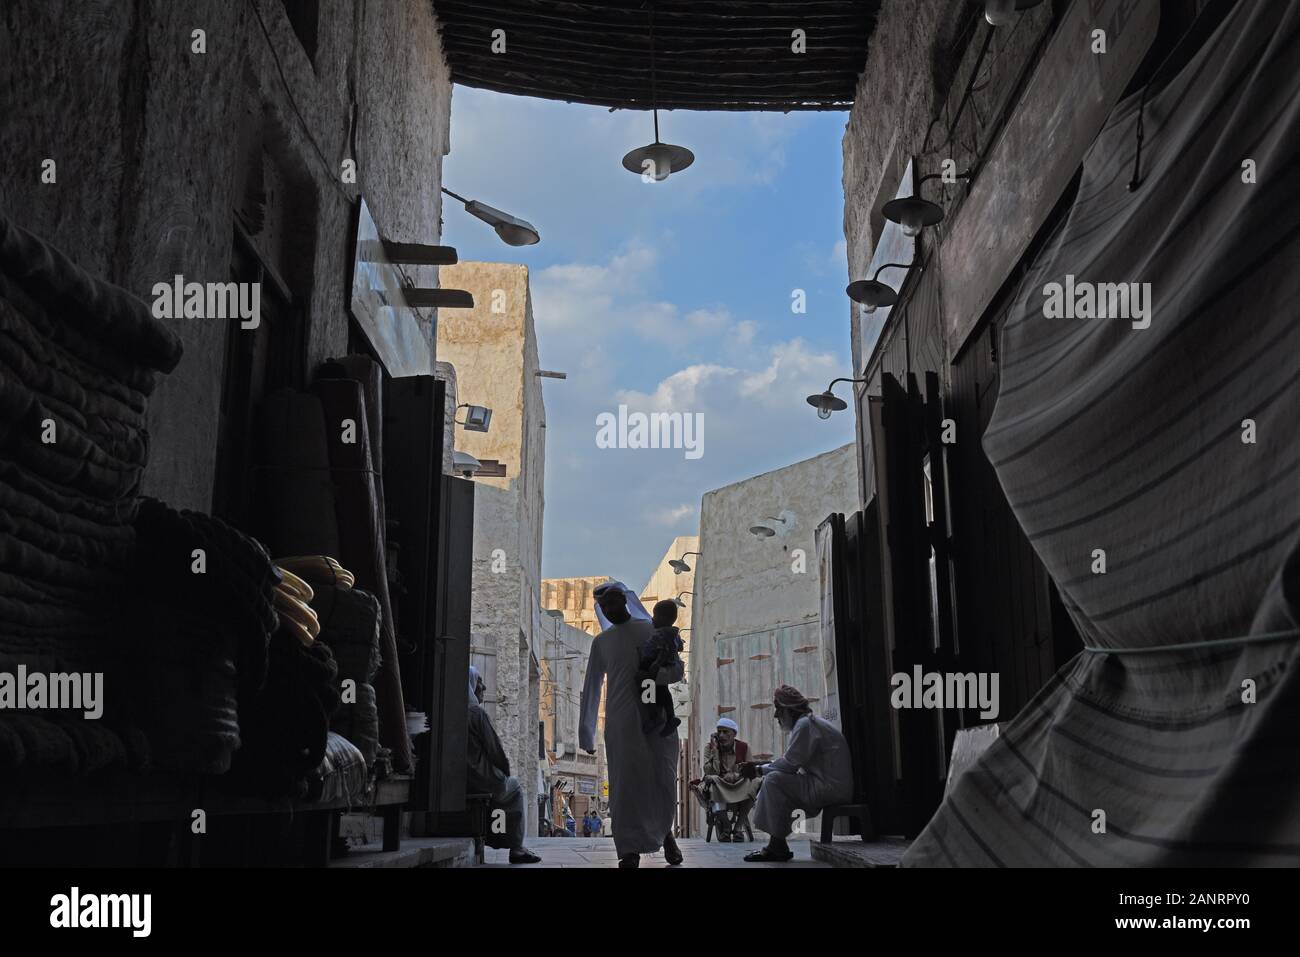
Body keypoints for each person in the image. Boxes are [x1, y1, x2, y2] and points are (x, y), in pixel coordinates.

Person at [580, 581, 684, 868]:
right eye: (604, 606)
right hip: (622, 722)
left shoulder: (652, 630)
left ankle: (666, 835)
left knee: (661, 780)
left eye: (613, 602)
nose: (610, 609)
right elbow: (591, 688)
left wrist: (653, 676)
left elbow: (677, 671)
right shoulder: (601, 642)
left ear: (624, 601)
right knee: (625, 786)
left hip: (659, 720)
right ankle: (628, 850)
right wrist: (586, 734)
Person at [742, 684, 853, 863]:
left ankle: (776, 846)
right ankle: (777, 844)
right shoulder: (808, 723)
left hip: (829, 787)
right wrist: (760, 767)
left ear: (789, 709)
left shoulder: (805, 725)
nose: (776, 715)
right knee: (777, 781)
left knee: (773, 781)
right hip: (826, 784)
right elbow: (790, 762)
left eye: (778, 709)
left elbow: (789, 765)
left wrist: (757, 770)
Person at [466, 666, 541, 864]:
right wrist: (505, 771)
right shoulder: (476, 714)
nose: (483, 687)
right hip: (480, 778)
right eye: (479, 682)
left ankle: (495, 836)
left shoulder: (454, 711)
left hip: (459, 778)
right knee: (513, 788)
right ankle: (516, 848)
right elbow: (494, 749)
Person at [699, 717, 762, 841]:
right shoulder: (710, 748)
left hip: (739, 784)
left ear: (734, 734)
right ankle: (727, 827)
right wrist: (715, 751)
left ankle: (738, 828)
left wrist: (735, 776)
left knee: (755, 782)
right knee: (712, 781)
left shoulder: (744, 747)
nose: (721, 735)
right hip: (720, 784)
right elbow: (711, 771)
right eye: (719, 732)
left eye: (725, 732)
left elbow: (751, 771)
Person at [638, 600, 684, 736]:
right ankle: (670, 717)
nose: (652, 619)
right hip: (666, 666)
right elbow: (680, 646)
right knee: (663, 691)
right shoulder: (674, 633)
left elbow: (663, 650)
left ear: (663, 618)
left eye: (655, 615)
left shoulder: (662, 634)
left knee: (644, 684)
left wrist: (656, 664)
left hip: (655, 665)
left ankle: (653, 715)